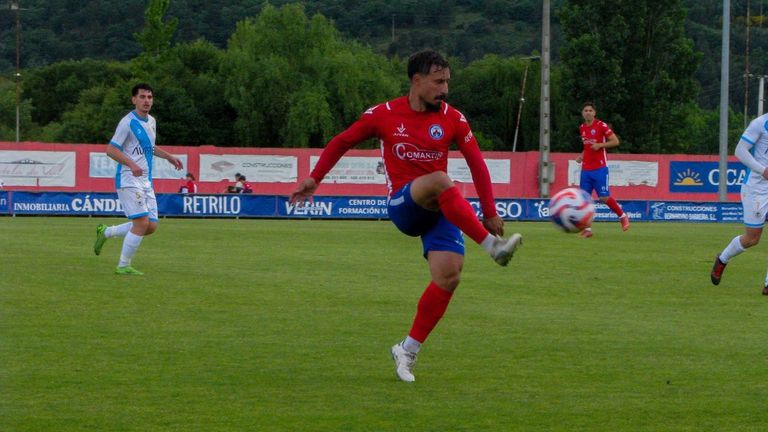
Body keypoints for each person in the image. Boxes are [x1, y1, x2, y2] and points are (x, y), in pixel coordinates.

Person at [290, 50, 522, 382]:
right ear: (417, 80)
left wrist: (489, 210)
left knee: (449, 276)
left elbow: (477, 163)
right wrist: (315, 177)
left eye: (447, 82)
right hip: (404, 205)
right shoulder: (383, 115)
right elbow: (342, 141)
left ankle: (407, 350)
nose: (444, 90)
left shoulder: (454, 119)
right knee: (443, 180)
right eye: (438, 82)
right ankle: (493, 247)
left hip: (439, 209)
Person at [93, 83, 183, 275]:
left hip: (145, 181)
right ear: (134, 99)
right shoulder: (127, 122)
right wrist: (131, 164)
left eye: (149, 97)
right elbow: (111, 149)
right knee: (141, 223)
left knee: (150, 226)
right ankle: (123, 266)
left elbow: (149, 147)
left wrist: (168, 156)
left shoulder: (152, 121)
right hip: (128, 179)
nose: (146, 101)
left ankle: (106, 232)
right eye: (142, 97)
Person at [711, 111, 768, 295]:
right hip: (757, 189)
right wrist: (762, 170)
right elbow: (740, 151)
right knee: (752, 239)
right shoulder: (760, 123)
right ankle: (723, 259)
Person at [575, 102, 630, 237]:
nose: (588, 112)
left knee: (604, 197)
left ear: (594, 113)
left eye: (590, 110)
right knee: (585, 200)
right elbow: (587, 146)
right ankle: (587, 229)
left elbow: (615, 141)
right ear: (583, 113)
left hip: (600, 168)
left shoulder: (601, 126)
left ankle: (622, 216)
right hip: (586, 169)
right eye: (585, 110)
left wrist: (600, 145)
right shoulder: (582, 128)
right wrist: (582, 156)